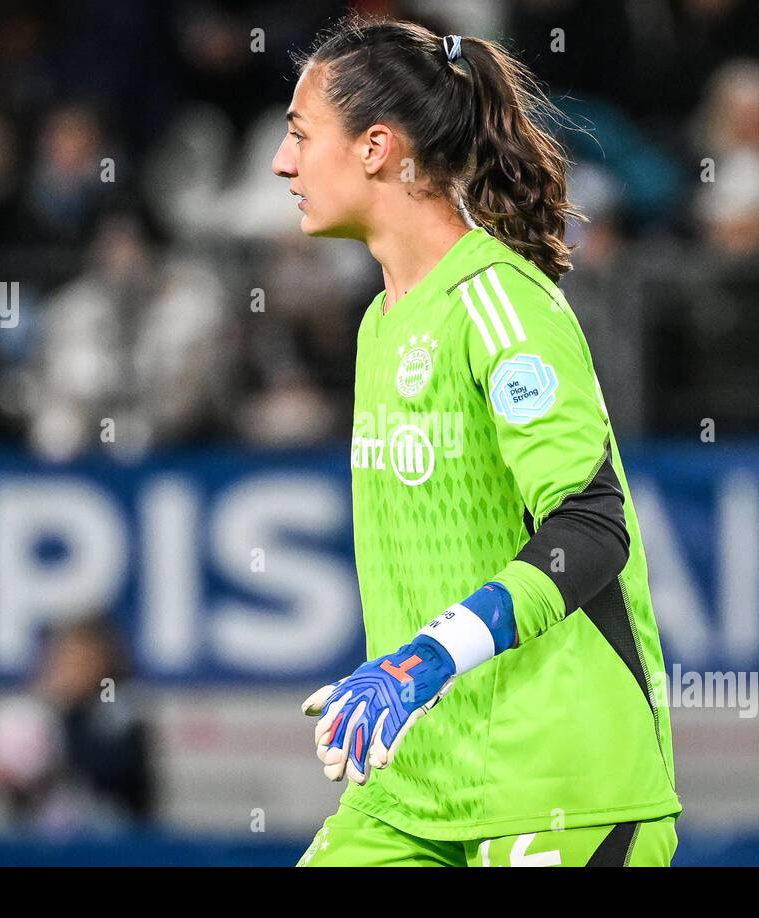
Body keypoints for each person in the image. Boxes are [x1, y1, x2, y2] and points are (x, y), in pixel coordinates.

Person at [272, 15, 681, 867]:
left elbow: (590, 529)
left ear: (378, 147)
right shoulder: (378, 327)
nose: (284, 163)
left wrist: (426, 658)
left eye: (301, 136)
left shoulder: (500, 302)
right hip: (413, 790)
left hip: (561, 786)